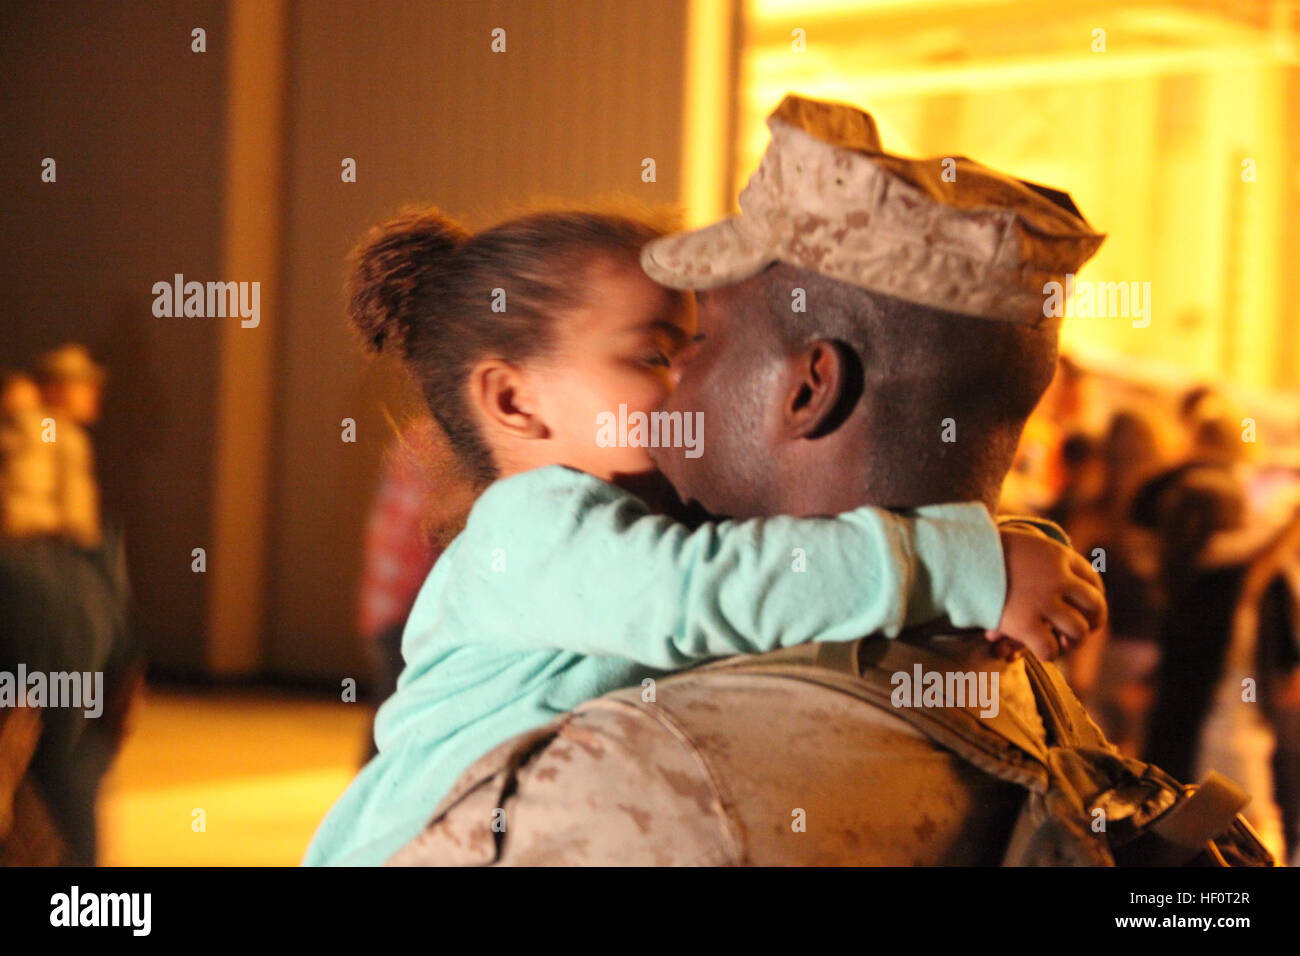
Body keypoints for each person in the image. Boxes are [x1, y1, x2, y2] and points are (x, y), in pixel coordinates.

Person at [386, 94, 1182, 867]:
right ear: (512, 399)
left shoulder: (652, 784)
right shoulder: (1004, 679)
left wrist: (975, 562)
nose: (675, 384)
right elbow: (695, 593)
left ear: (809, 388)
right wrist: (964, 563)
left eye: (693, 345)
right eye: (655, 354)